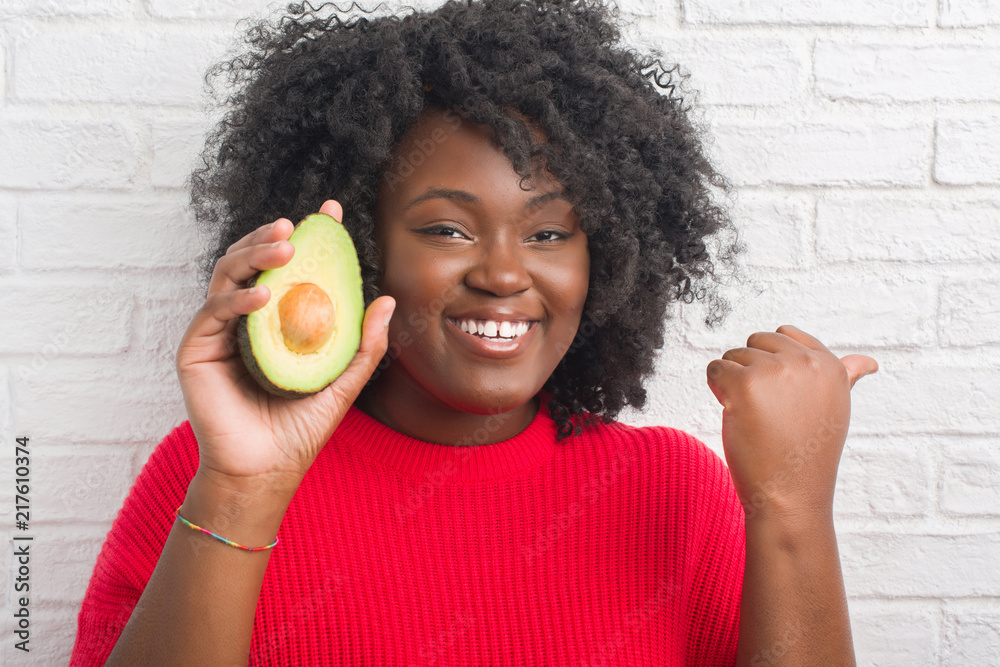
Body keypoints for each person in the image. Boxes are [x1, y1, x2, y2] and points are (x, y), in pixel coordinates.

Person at [71, 0, 878, 664]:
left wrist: (792, 508)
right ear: (363, 248)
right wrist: (243, 492)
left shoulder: (675, 490)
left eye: (550, 233)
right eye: (448, 230)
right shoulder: (210, 472)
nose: (502, 272)